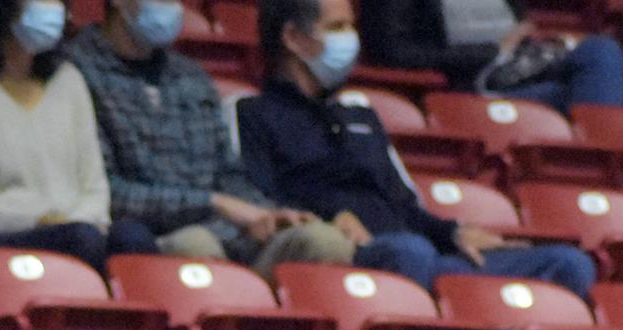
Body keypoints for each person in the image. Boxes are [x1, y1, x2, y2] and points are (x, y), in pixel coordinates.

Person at [237, 0, 599, 299]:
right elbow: (260, 201)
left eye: (350, 27)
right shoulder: (251, 113)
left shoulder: (361, 115)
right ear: (293, 39)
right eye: (336, 28)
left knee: (569, 263)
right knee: (410, 251)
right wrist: (329, 219)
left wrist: (453, 232)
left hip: (423, 252)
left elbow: (406, 205)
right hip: (354, 257)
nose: (351, 40)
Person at [64, 0, 355, 278]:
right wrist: (213, 204)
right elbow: (107, 192)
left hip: (230, 237)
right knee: (196, 243)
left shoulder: (191, 77)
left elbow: (230, 175)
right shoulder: (76, 71)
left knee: (324, 240)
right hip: (150, 241)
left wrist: (270, 215)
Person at [0, 0, 155, 274]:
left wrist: (76, 220)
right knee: (81, 240)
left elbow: (94, 186)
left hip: (77, 229)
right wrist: (41, 220)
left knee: (133, 238)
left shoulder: (69, 80)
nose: (52, 8)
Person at [361, 1, 623, 110]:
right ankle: (595, 167)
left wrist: (538, 43)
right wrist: (492, 51)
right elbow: (391, 52)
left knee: (602, 49)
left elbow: (516, 26)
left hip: (519, 67)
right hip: (472, 84)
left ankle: (589, 158)